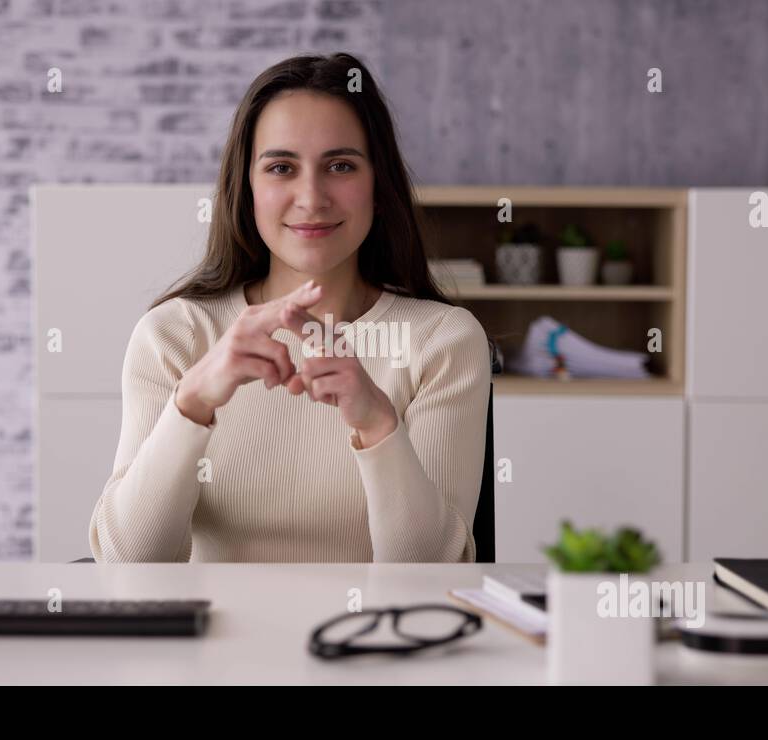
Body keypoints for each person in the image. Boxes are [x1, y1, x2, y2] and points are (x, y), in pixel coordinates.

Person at [88, 52, 491, 562]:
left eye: (340, 166)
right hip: (214, 639)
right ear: (247, 188)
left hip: (371, 639)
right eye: (281, 167)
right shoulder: (174, 334)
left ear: (380, 187)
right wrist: (191, 404)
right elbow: (128, 563)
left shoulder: (444, 340)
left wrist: (377, 423)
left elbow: (432, 572)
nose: (311, 197)